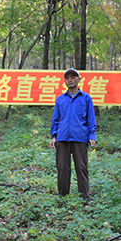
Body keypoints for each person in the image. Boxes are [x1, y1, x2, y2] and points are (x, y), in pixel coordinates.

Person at [49, 68, 97, 200]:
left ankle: (85, 198)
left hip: (80, 137)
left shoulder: (86, 98)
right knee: (63, 169)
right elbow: (56, 119)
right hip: (62, 138)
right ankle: (63, 198)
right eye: (67, 78)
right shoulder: (60, 99)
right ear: (64, 81)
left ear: (79, 79)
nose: (70, 80)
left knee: (81, 167)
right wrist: (54, 136)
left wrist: (92, 136)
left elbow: (91, 119)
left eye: (72, 77)